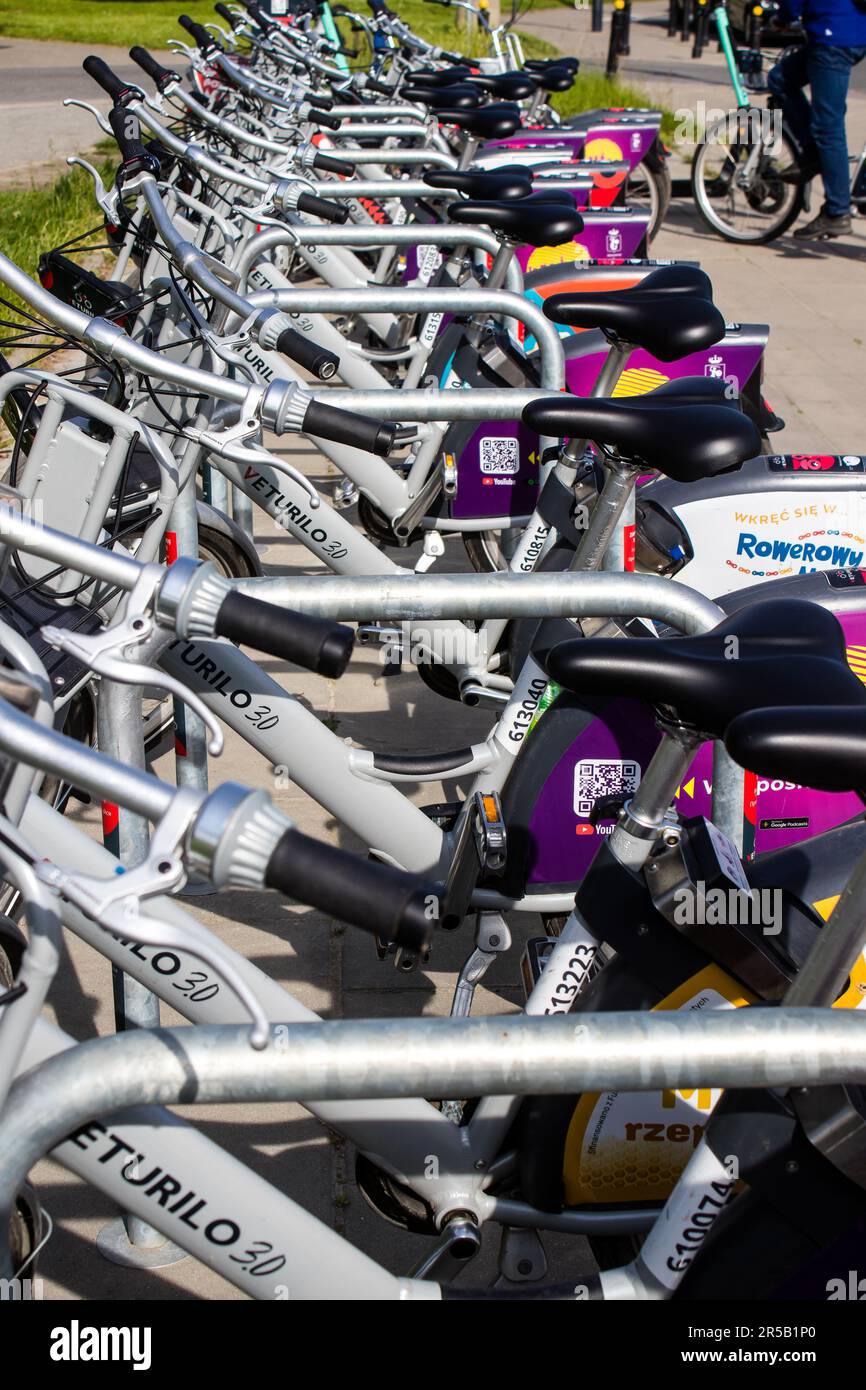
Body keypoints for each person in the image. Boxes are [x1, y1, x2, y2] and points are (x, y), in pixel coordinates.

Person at [767, 0, 866, 239]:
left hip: (833, 35)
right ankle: (811, 154)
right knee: (780, 78)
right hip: (850, 30)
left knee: (828, 127)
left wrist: (783, 17)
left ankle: (837, 211)